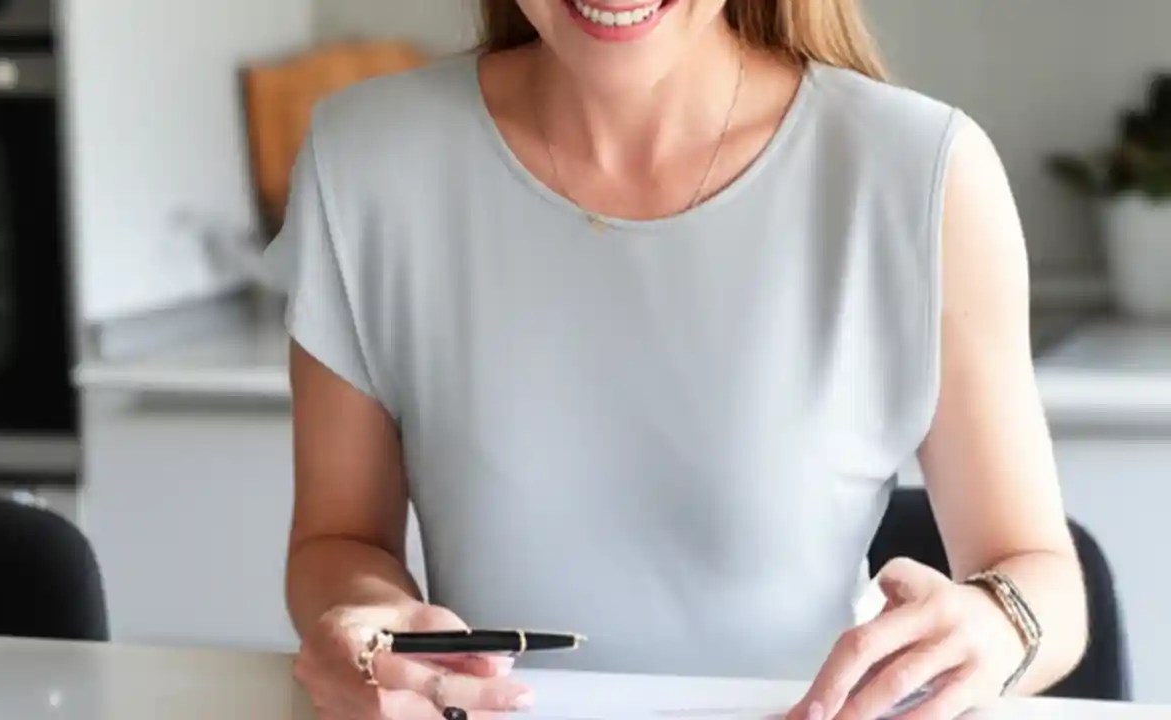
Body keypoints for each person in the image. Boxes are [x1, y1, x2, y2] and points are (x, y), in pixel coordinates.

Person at [265, 1, 1089, 718]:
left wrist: (990, 625)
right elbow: (338, 541)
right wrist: (365, 624)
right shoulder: (363, 161)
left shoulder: (923, 171)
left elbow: (1043, 581)